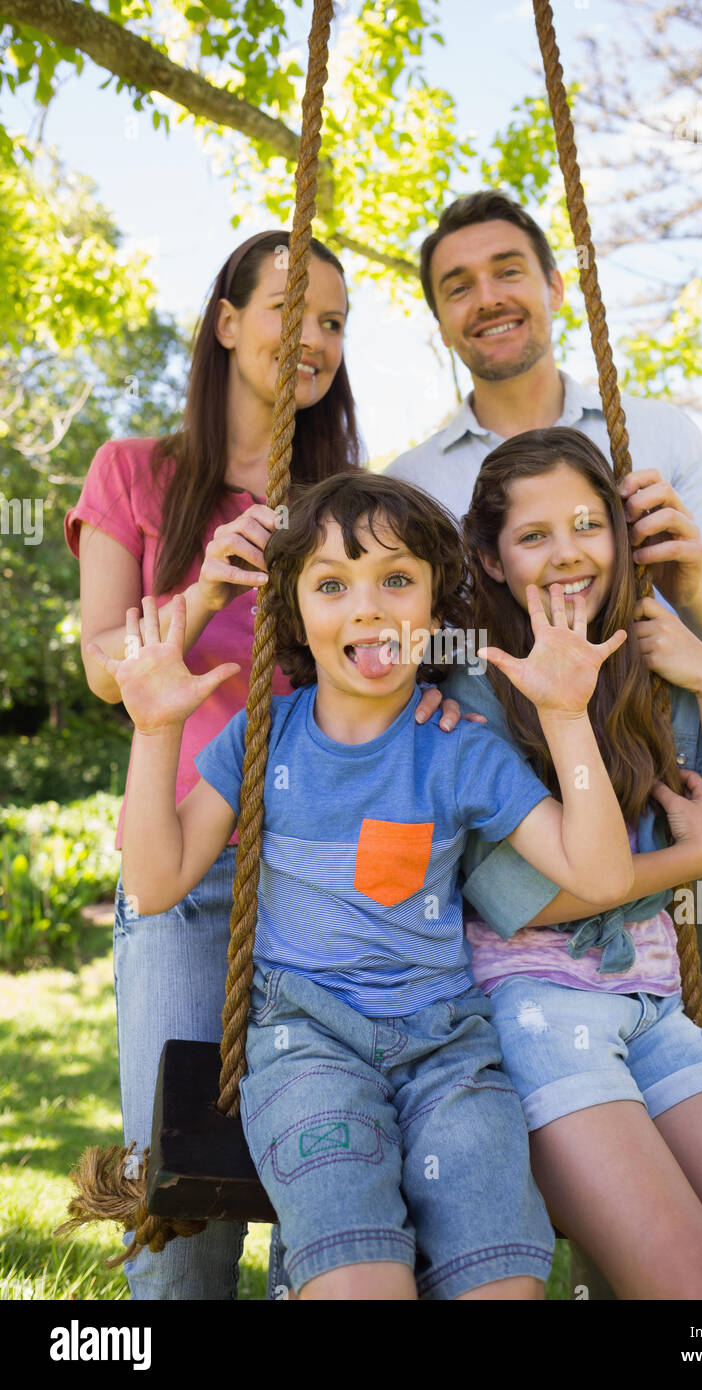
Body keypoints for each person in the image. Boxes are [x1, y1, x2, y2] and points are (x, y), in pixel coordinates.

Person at [86, 469, 636, 1300]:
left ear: (436, 604)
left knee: (502, 1281)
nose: (369, 607)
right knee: (362, 1280)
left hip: (450, 1049)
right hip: (305, 1044)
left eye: (398, 580)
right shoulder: (262, 738)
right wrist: (155, 730)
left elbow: (600, 871)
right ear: (296, 611)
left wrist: (565, 719)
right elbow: (157, 884)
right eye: (334, 583)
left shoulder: (460, 748)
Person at [386, 192, 702, 1221]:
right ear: (440, 319)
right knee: (582, 1164)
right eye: (457, 284)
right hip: (520, 837)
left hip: (652, 781)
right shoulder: (411, 478)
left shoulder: (649, 430)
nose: (486, 297)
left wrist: (698, 614)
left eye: (506, 270)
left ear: (549, 284)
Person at [64, 231, 466, 1300]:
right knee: (187, 1196)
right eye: (293, 309)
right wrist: (202, 593)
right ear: (225, 318)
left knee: (337, 1189)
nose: (317, 338)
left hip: (334, 876)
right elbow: (107, 661)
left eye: (335, 321)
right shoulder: (137, 471)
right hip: (191, 874)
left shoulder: (344, 497)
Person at [440, 427, 702, 1298]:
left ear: (622, 540)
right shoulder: (474, 691)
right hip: (537, 1019)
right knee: (699, 1291)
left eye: (589, 525)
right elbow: (526, 899)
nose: (567, 554)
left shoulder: (646, 669)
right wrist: (679, 862)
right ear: (495, 559)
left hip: (654, 1010)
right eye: (534, 536)